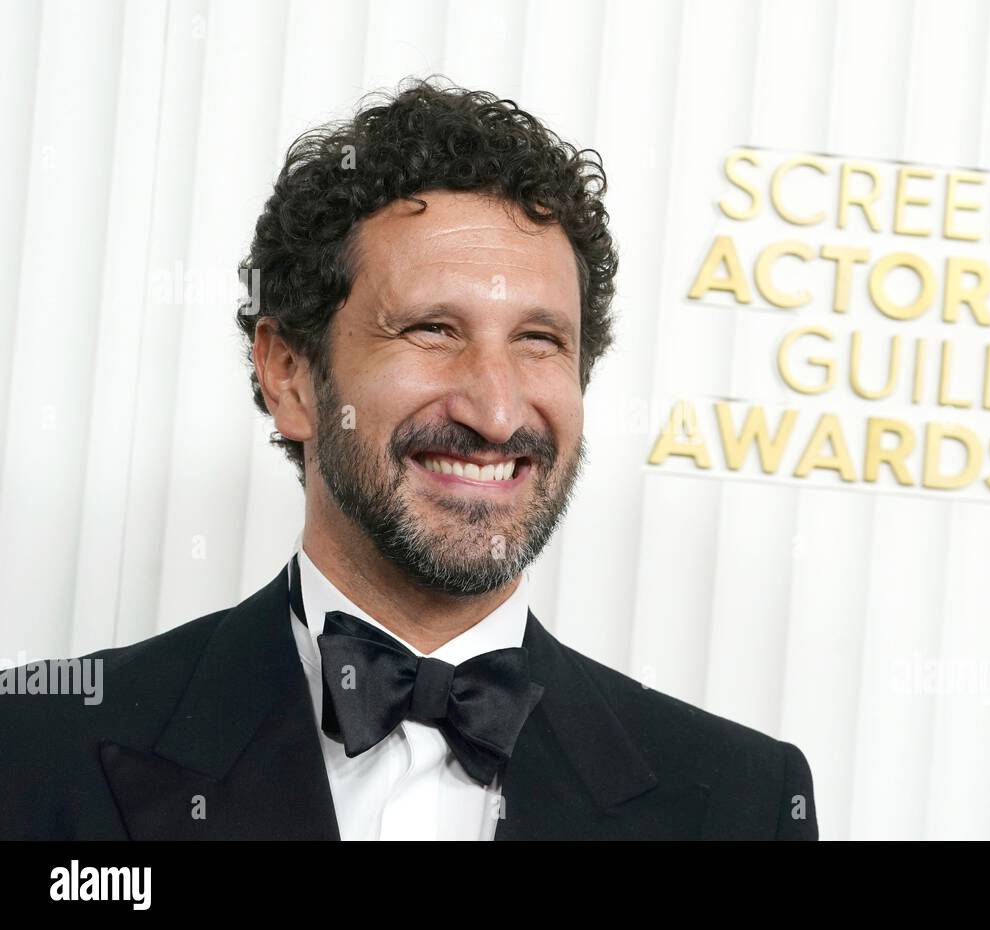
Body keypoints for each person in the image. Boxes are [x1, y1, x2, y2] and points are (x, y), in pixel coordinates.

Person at [0, 76, 817, 840]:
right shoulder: (35, 753)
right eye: (432, 329)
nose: (497, 413)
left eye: (539, 341)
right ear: (289, 375)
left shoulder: (739, 803)